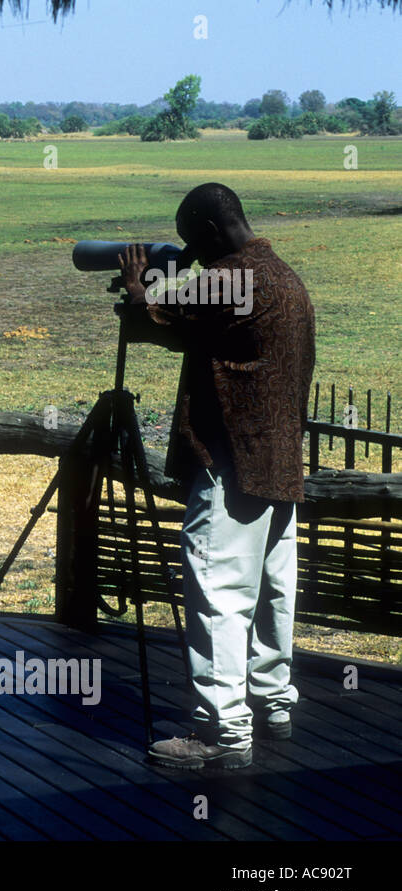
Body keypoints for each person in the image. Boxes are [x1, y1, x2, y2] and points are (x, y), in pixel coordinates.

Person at [117, 183, 316, 770]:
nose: (191, 255)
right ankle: (272, 702)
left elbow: (152, 317)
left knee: (219, 591)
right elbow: (196, 330)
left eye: (191, 242)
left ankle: (223, 731)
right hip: (279, 458)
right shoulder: (284, 277)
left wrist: (136, 286)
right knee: (274, 588)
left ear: (208, 230)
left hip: (232, 461)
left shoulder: (230, 279)